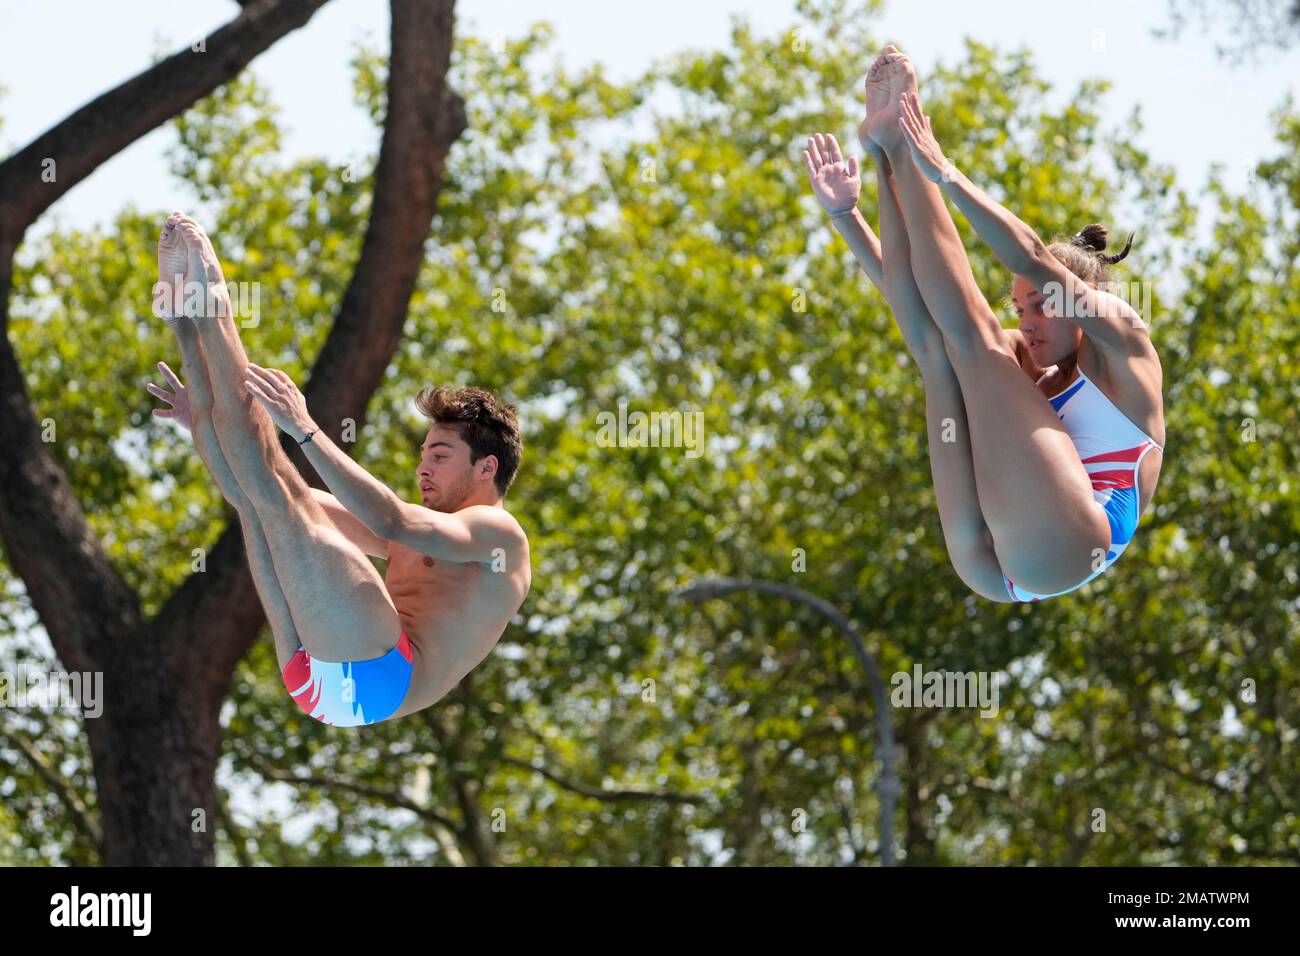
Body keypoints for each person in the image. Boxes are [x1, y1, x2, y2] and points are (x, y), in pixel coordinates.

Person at [804, 47, 1165, 603]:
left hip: (1068, 542)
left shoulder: (1124, 342)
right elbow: (925, 303)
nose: (1026, 322)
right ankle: (883, 152)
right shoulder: (1032, 367)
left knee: (972, 340)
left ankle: (897, 138)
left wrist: (940, 170)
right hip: (993, 569)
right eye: (1020, 309)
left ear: (1081, 301)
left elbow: (1032, 259)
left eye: (1040, 306)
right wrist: (846, 216)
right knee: (940, 349)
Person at [148, 212, 530, 725]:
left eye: (439, 455)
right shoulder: (427, 530)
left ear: (488, 467)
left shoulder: (499, 534)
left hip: (379, 674)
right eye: (423, 455)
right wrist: (202, 423)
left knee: (277, 497)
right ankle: (189, 328)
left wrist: (305, 427)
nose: (423, 469)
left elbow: (391, 520)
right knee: (259, 499)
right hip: (320, 679)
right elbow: (270, 482)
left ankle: (215, 304)